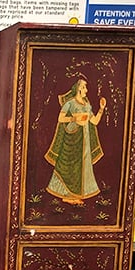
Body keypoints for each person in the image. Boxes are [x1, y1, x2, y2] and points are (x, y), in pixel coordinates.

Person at [45, 77, 106, 205]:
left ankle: (76, 195)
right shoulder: (70, 103)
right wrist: (74, 119)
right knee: (71, 166)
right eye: (84, 87)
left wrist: (101, 109)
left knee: (82, 166)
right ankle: (68, 195)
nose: (86, 90)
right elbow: (61, 118)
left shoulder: (87, 105)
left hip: (85, 140)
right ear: (78, 88)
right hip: (72, 137)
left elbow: (94, 121)